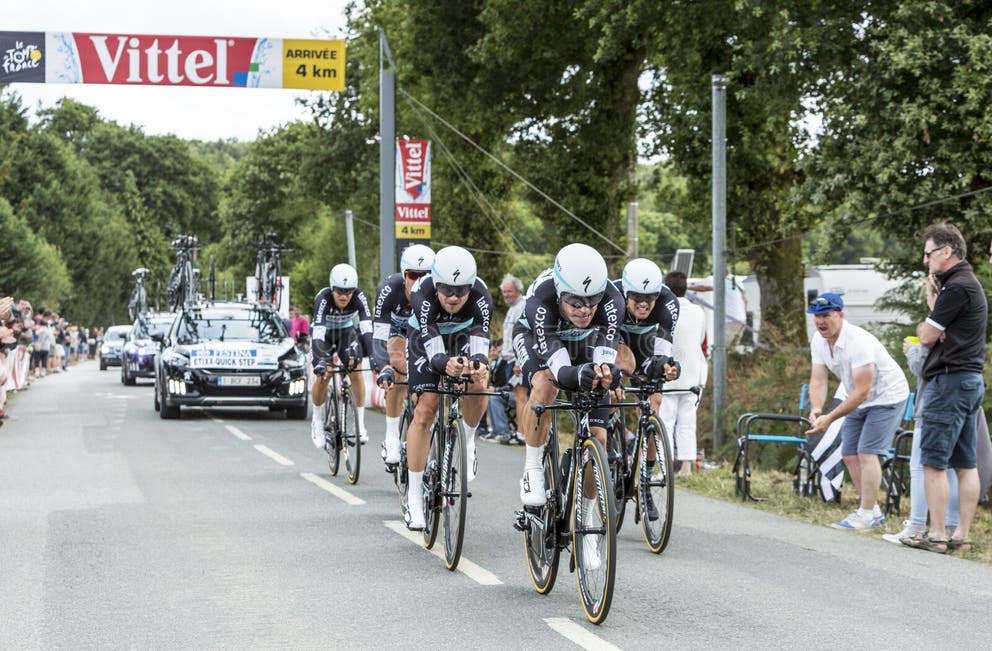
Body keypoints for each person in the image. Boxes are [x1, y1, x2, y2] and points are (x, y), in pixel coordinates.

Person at [513, 243, 626, 508]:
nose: (585, 310)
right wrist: (578, 375)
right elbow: (562, 371)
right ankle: (532, 470)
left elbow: (605, 357)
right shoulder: (541, 301)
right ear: (560, 293)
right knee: (545, 384)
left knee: (598, 436)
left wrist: (608, 373)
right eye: (575, 302)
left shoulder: (613, 300)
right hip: (537, 339)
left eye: (592, 301)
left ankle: (586, 516)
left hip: (581, 341)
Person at [902, 223, 986, 553]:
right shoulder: (969, 285)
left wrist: (932, 307)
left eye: (929, 253)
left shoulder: (956, 288)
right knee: (966, 464)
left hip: (949, 382)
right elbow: (941, 331)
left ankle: (936, 534)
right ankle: (960, 535)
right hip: (970, 381)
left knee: (934, 461)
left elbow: (925, 335)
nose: (926, 260)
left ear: (947, 251)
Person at [403, 246, 492, 530]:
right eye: (447, 290)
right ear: (436, 282)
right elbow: (432, 344)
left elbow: (480, 340)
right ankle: (414, 497)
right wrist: (445, 364)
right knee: (426, 409)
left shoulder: (481, 296)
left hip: (464, 335)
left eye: (461, 291)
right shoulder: (422, 291)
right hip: (424, 339)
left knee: (479, 382)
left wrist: (478, 364)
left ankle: (466, 439)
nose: (454, 297)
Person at [805, 292, 909, 530]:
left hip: (886, 396)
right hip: (858, 398)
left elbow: (864, 391)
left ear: (840, 315)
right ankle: (872, 511)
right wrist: (818, 409)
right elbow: (819, 379)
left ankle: (865, 514)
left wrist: (830, 418)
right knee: (850, 453)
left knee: (867, 452)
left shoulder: (858, 341)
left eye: (827, 315)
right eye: (816, 316)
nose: (821, 321)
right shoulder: (818, 340)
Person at [882, 274, 960, 544]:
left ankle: (916, 525)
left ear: (935, 296)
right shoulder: (962, 323)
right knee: (952, 466)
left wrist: (911, 352)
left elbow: (924, 369)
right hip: (960, 398)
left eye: (928, 293)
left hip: (933, 402)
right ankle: (950, 525)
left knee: (920, 466)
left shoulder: (934, 327)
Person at [372, 244, 435, 467]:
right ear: (403, 273)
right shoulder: (390, 289)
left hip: (422, 333)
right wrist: (383, 366)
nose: (418, 280)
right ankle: (391, 436)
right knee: (398, 364)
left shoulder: (437, 292)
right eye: (412, 274)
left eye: (426, 275)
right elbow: (379, 335)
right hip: (396, 330)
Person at [308, 263, 373, 450]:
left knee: (356, 371)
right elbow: (318, 334)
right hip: (325, 336)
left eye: (348, 291)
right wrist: (319, 359)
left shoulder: (360, 297)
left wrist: (375, 356)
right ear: (331, 288)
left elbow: (367, 327)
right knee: (325, 373)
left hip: (346, 334)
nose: (344, 296)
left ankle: (360, 424)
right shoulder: (323, 298)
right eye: (339, 291)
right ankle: (318, 421)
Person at [660, 270, 708, 475]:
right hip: (693, 374)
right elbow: (702, 340)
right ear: (686, 288)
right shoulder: (699, 311)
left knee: (666, 423)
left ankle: (665, 469)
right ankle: (687, 466)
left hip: (669, 375)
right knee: (688, 422)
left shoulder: (663, 310)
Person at [495, 274, 527, 445]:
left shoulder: (523, 306)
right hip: (508, 359)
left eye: (510, 291)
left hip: (517, 360)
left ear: (518, 290)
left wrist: (519, 361)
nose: (506, 295)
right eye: (504, 292)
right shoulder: (512, 308)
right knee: (518, 397)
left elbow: (524, 335)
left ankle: (522, 434)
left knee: (521, 397)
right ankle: (521, 432)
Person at [688, 270, 747, 347]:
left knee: (722, 348)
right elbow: (746, 301)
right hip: (742, 320)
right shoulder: (737, 281)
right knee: (733, 348)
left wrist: (687, 287)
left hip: (730, 321)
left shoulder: (721, 282)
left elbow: (704, 288)